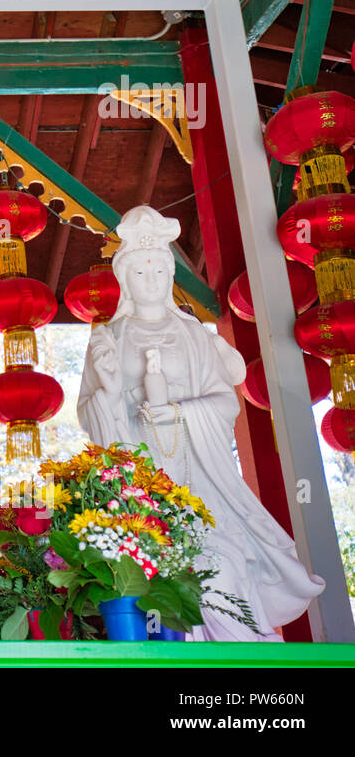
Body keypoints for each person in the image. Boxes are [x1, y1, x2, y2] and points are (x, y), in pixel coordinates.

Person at [78, 205, 324, 641]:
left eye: (159, 271)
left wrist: (180, 413)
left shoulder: (194, 335)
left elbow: (224, 402)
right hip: (142, 476)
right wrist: (111, 389)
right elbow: (95, 421)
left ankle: (245, 649)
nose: (151, 281)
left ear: (171, 276)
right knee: (147, 579)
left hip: (198, 470)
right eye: (140, 273)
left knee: (221, 565)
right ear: (124, 281)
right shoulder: (108, 338)